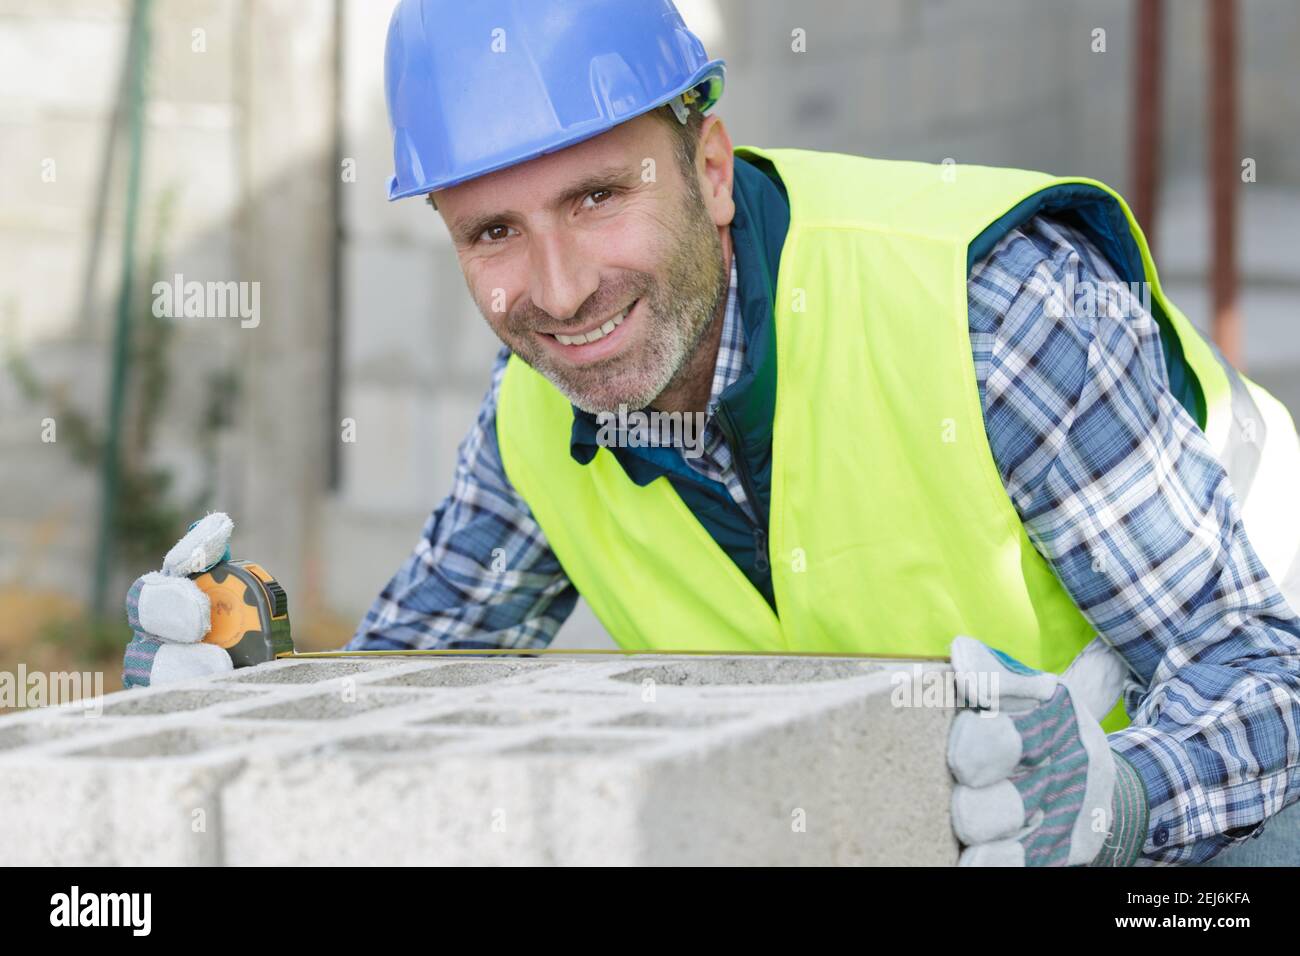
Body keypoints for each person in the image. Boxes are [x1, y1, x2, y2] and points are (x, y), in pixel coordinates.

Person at [125, 0, 1300, 867]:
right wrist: (251, 686)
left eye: (598, 198)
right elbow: (408, 692)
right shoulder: (539, 414)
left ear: (712, 167)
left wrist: (1120, 802)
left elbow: (1261, 670)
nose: (561, 288)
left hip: (1224, 773)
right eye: (492, 232)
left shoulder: (993, 303)